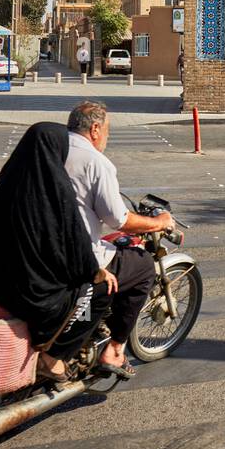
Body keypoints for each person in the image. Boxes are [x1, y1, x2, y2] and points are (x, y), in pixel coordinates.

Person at [0, 121, 115, 384]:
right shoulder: (55, 190)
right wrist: (94, 271)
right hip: (32, 294)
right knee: (101, 291)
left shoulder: (8, 183)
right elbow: (73, 238)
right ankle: (53, 358)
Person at [64, 100, 177, 375]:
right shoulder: (95, 162)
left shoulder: (49, 151)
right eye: (107, 132)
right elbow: (120, 220)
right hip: (75, 257)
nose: (107, 139)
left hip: (38, 248)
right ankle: (115, 350)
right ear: (94, 129)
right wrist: (157, 222)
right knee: (141, 266)